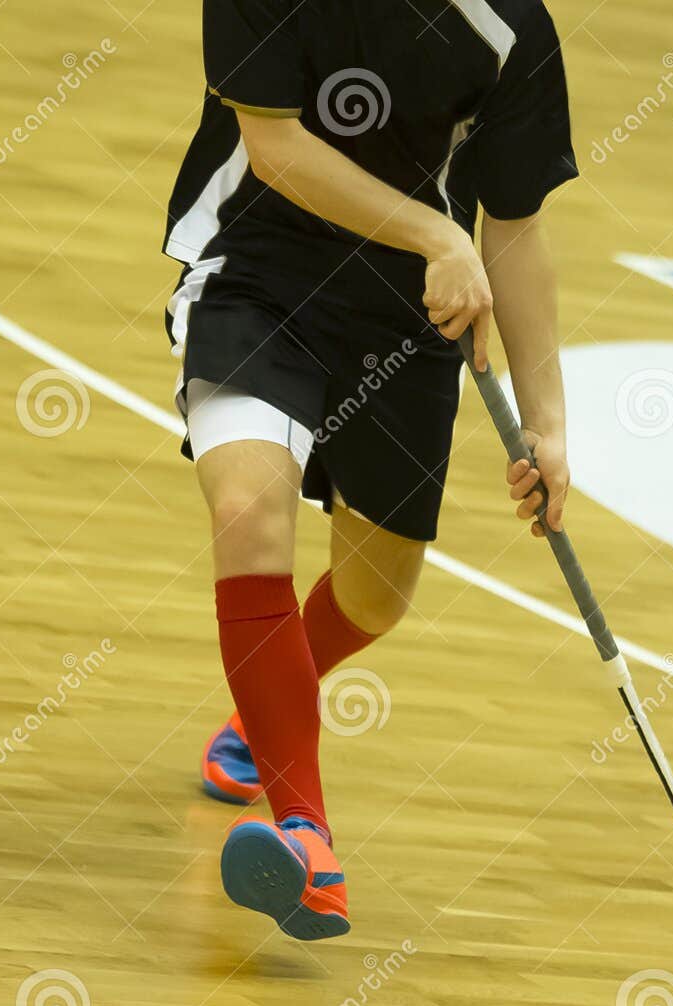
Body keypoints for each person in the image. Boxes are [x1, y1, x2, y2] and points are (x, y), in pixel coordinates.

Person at [162, 0, 577, 939]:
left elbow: (512, 223)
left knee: (377, 594)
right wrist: (438, 235)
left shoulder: (510, 27)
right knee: (248, 511)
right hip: (255, 273)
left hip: (408, 323)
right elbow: (273, 147)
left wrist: (548, 425)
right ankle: (306, 841)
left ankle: (273, 705)